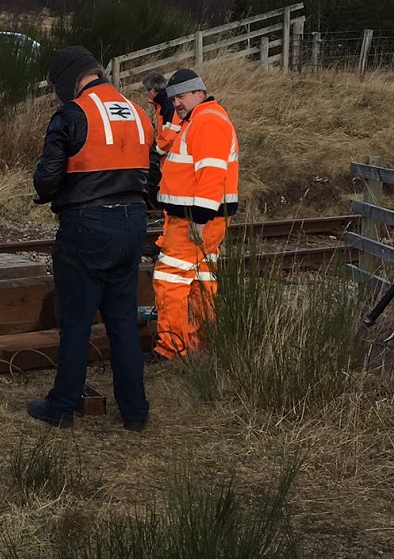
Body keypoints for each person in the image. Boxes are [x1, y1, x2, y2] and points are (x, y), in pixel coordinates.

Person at [28, 46, 152, 431]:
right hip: (133, 223)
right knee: (123, 323)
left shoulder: (72, 114)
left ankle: (62, 407)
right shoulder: (139, 114)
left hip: (87, 224)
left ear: (69, 79)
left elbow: (45, 181)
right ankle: (135, 412)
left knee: (77, 322)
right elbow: (156, 176)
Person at [152, 67, 239, 361]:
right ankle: (201, 343)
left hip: (195, 219)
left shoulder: (207, 121)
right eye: (174, 97)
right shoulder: (200, 119)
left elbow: (211, 175)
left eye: (182, 96)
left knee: (170, 280)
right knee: (202, 281)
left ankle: (172, 349)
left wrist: (199, 220)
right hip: (203, 218)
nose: (177, 103)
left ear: (199, 93)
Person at [142, 70, 181, 156]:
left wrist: (156, 152)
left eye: (146, 91)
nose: (146, 94)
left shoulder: (167, 106)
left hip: (171, 154)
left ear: (152, 91)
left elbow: (170, 135)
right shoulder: (164, 103)